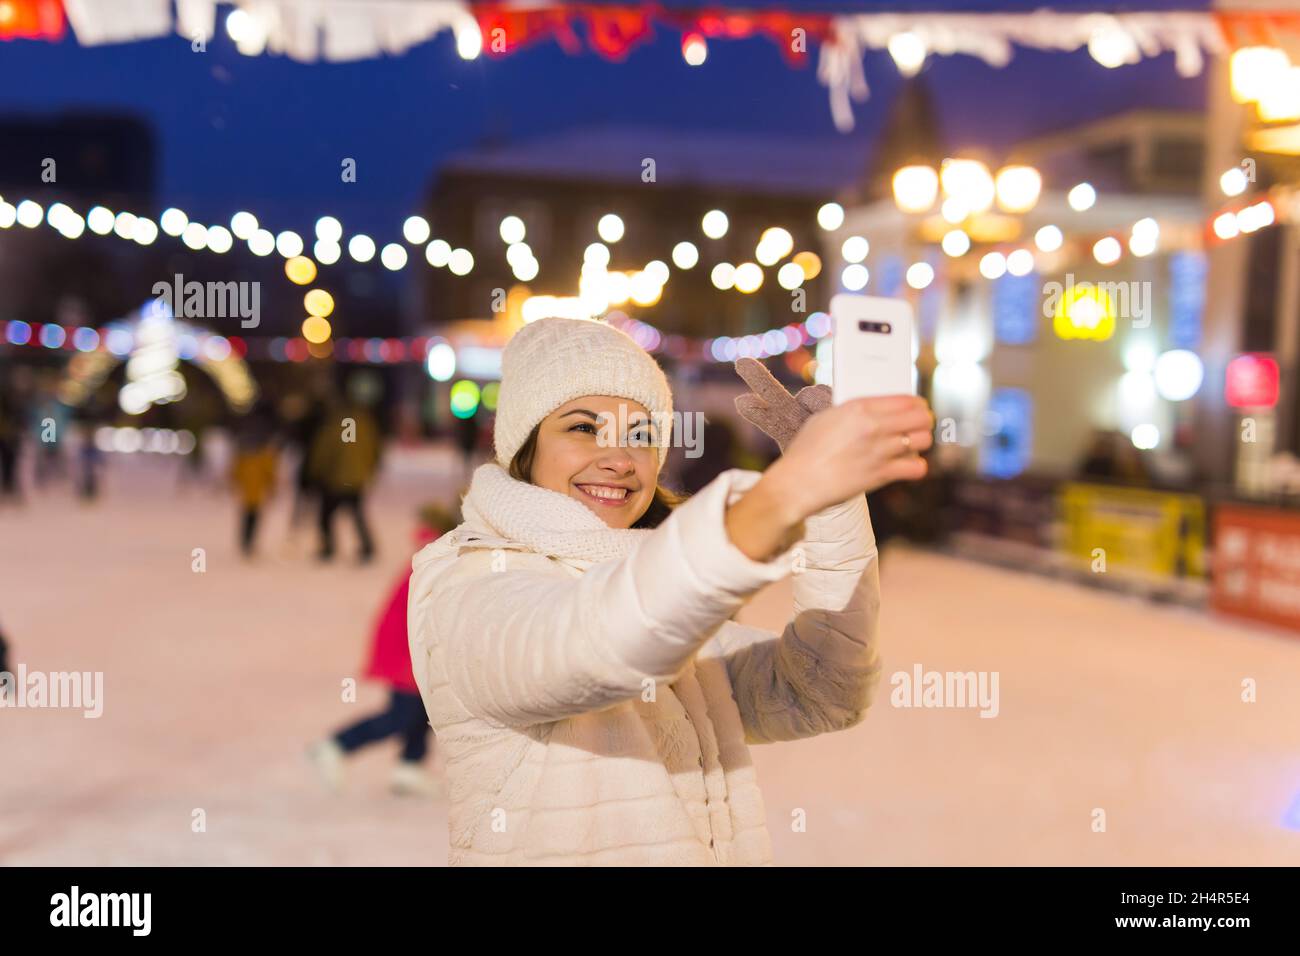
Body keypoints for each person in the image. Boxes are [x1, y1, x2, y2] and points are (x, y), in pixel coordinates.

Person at [407, 318, 932, 866]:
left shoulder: (661, 599)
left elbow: (821, 694)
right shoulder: (468, 581)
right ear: (526, 444)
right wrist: (785, 492)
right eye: (584, 428)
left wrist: (830, 503)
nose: (619, 457)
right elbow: (595, 646)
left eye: (641, 434)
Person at [309, 503, 460, 797]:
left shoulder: (438, 557)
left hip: (415, 648)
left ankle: (410, 766)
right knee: (401, 716)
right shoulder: (439, 562)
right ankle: (335, 745)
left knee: (428, 710)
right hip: (408, 650)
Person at [307, 392, 381, 563]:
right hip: (356, 476)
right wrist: (369, 468)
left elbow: (324, 450)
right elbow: (374, 447)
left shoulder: (335, 424)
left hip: (335, 477)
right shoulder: (364, 422)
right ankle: (367, 546)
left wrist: (316, 471)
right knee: (356, 513)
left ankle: (328, 547)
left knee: (325, 515)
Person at [230, 414, 279, 558]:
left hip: (253, 491)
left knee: (250, 517)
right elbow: (269, 472)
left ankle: (247, 541)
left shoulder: (250, 453)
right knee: (251, 517)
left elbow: (237, 470)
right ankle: (247, 541)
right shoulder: (261, 454)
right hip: (253, 491)